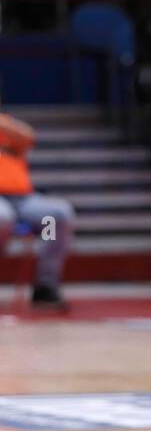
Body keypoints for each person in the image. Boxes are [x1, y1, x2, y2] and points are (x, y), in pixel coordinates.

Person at [0, 111, 76, 310]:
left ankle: (45, 285)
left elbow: (29, 137)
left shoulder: (7, 129)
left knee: (57, 216)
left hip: (24, 201)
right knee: (2, 219)